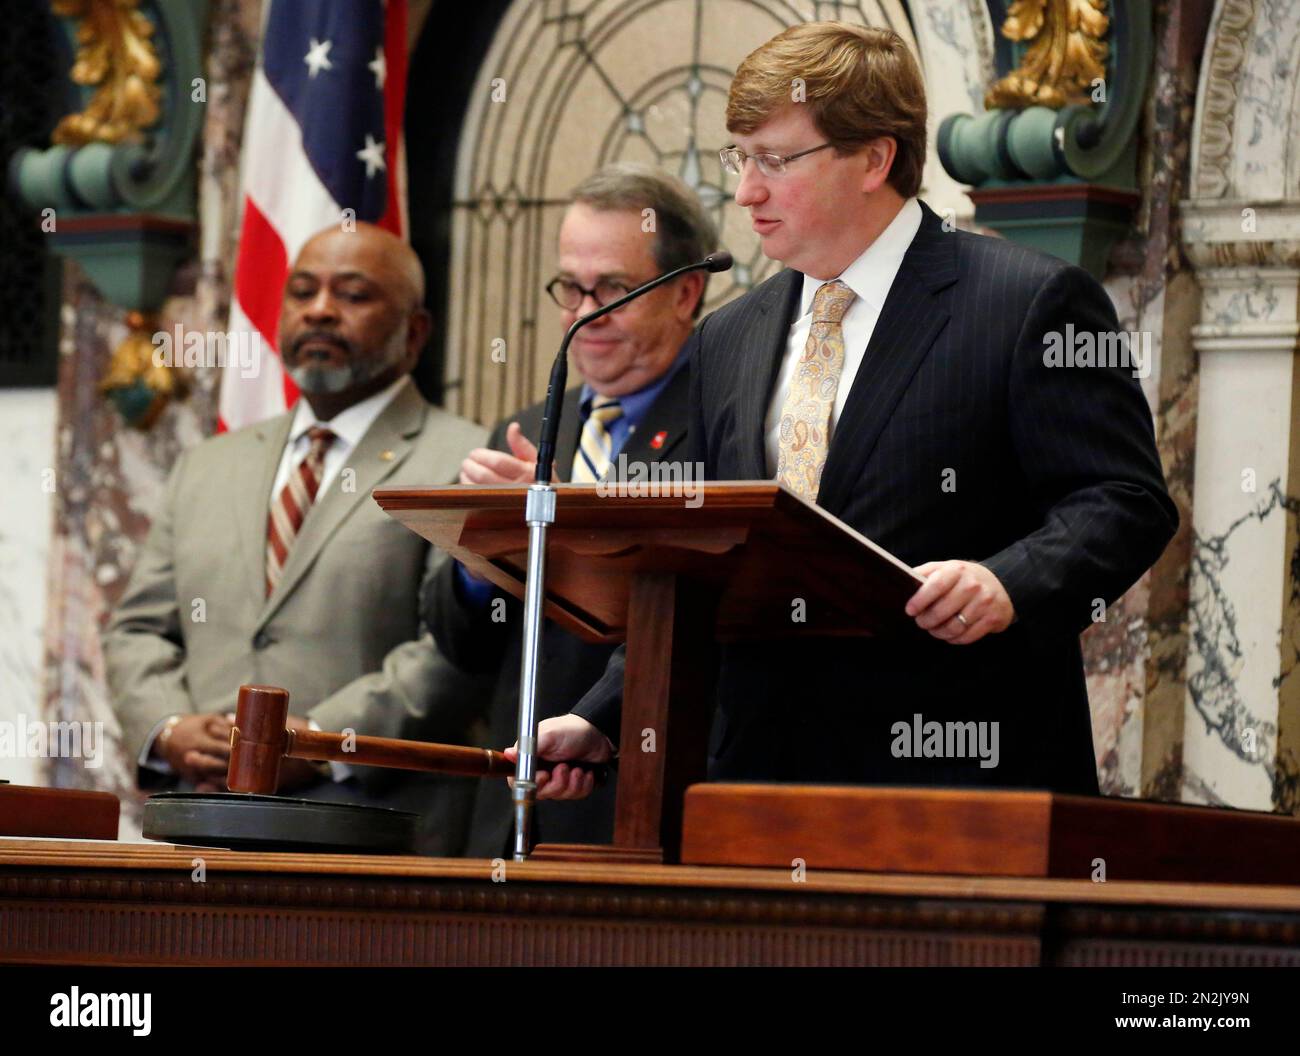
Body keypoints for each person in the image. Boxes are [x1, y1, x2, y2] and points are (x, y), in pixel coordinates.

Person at [524, 22, 1179, 800]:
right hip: (751, 784)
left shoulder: (1025, 302)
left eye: (775, 159)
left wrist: (1008, 582)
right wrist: (604, 715)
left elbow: (1126, 501)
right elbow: (699, 560)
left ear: (874, 157)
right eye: (741, 158)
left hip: (955, 778)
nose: (746, 192)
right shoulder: (729, 335)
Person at [104, 221, 490, 854]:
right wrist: (169, 726)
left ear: (415, 332)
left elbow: (455, 648)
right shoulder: (208, 463)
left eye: (354, 295)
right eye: (302, 291)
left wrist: (318, 740)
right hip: (206, 830)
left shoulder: (468, 459)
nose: (319, 311)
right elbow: (137, 629)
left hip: (375, 835)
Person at [423, 164, 714, 855]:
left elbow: (692, 621)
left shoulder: (719, 423)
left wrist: (571, 528)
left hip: (640, 811)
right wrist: (485, 557)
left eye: (613, 288)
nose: (585, 313)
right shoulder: (526, 427)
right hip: (513, 815)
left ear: (685, 292)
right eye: (571, 288)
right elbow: (455, 640)